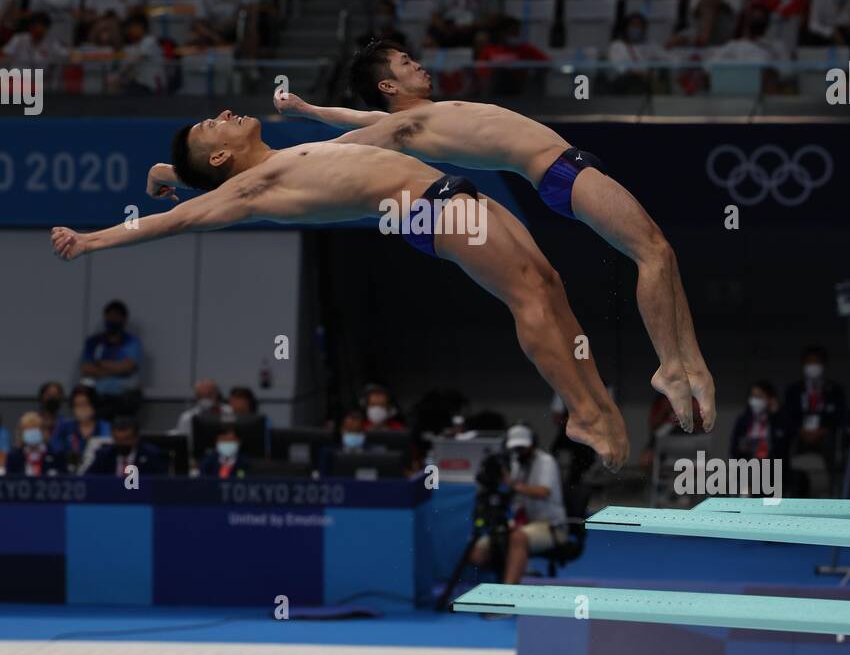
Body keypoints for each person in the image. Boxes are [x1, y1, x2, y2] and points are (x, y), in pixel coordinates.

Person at [52, 111, 630, 469]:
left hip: (456, 194)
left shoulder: (277, 159)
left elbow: (198, 180)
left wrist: (164, 173)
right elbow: (172, 221)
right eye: (213, 125)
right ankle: (582, 414)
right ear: (224, 156)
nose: (224, 113)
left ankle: (597, 405)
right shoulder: (252, 186)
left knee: (550, 285)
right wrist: (90, 241)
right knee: (528, 297)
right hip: (431, 212)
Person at [274, 43, 716, 433]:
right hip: (561, 172)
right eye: (406, 62)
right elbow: (349, 143)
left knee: (662, 252)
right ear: (390, 85)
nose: (419, 65)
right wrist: (277, 158)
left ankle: (688, 362)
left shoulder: (415, 116)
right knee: (651, 253)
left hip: (570, 167)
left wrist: (308, 110)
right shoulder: (402, 127)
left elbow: (361, 117)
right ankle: (670, 369)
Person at [468, 423, 568, 585]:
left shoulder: (546, 461)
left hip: (551, 527)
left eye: (522, 447)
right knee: (478, 553)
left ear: (532, 444)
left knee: (518, 538)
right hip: (522, 523)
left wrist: (512, 485)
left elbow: (543, 491)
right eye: (516, 448)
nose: (519, 451)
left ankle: (508, 594)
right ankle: (496, 583)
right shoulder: (516, 463)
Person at [782, 346, 846, 491]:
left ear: (823, 365)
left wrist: (821, 431)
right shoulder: (794, 390)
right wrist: (800, 430)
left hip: (824, 434)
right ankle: (790, 489)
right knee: (783, 443)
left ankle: (835, 489)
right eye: (809, 363)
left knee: (833, 445)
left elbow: (839, 416)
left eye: (816, 362)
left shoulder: (834, 390)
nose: (813, 367)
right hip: (800, 434)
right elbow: (788, 415)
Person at [80, 299, 143, 419]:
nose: (112, 319)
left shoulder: (132, 342)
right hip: (97, 393)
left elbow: (128, 366)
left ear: (124, 319)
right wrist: (116, 368)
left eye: (116, 316)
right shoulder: (94, 342)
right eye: (110, 316)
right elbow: (86, 368)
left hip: (124, 394)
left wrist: (99, 364)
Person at [729, 381, 790, 468]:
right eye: (753, 396)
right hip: (747, 466)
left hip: (773, 468)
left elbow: (783, 448)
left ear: (770, 399)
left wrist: (777, 414)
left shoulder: (778, 420)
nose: (755, 400)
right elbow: (733, 450)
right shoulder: (743, 420)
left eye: (759, 397)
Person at [85, 415, 168, 476]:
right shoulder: (104, 456)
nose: (122, 444)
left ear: (136, 438)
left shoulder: (151, 456)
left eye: (126, 439)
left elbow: (161, 484)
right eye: (118, 440)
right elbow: (88, 480)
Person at [51, 385, 111, 466]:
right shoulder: (64, 426)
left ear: (94, 405)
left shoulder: (105, 426)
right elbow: (56, 449)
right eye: (77, 405)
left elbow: (107, 451)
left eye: (85, 404)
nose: (82, 408)